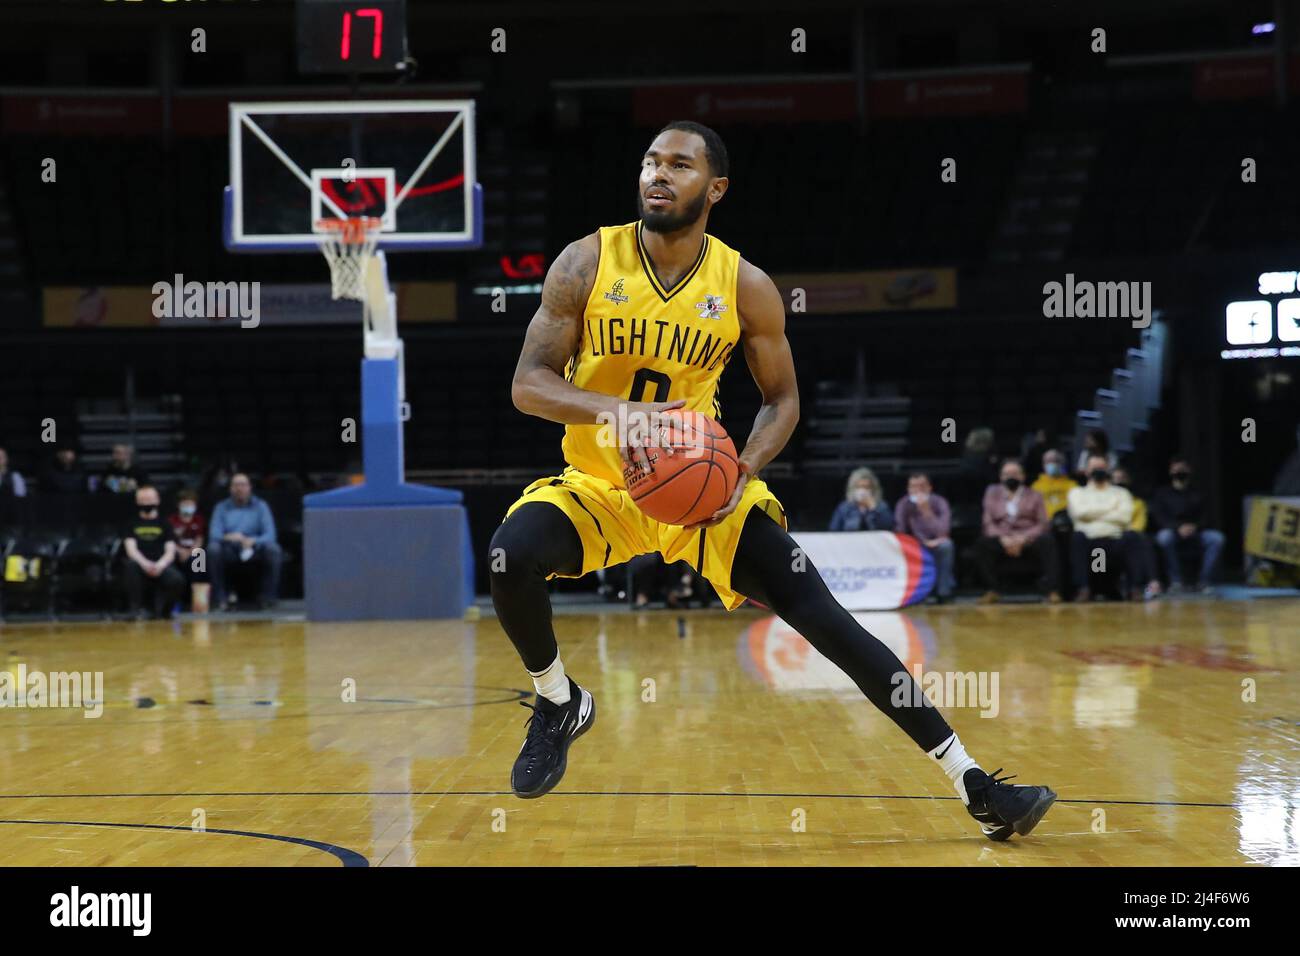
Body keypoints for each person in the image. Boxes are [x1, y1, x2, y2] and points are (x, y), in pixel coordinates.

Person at [489, 120, 1055, 840]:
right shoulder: (585, 262)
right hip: (602, 482)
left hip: (701, 492)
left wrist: (742, 470)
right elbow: (528, 384)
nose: (658, 175)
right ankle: (558, 700)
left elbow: (783, 399)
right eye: (650, 162)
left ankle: (974, 783)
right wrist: (620, 412)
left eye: (680, 165)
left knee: (827, 619)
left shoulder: (745, 286)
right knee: (509, 555)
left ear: (715, 187)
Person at [973, 458, 1060, 604]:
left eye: (1015, 474)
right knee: (983, 543)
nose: (1010, 477)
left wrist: (1023, 538)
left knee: (1048, 541)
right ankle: (992, 590)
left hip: (1028, 538)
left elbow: (1042, 523)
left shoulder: (1035, 495)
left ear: (1022, 476)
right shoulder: (992, 492)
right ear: (1001, 477)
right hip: (1002, 537)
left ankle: (1051, 590)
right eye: (1006, 474)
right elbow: (987, 522)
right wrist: (1003, 539)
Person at [1067, 455, 1140, 602]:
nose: (1098, 471)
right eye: (1094, 468)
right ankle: (1083, 589)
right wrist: (1110, 510)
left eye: (1101, 468)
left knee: (1133, 537)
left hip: (1115, 541)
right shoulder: (1076, 493)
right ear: (1086, 471)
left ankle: (1134, 589)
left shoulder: (1122, 493)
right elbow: (1080, 513)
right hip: (1090, 543)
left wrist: (1093, 514)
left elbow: (1125, 517)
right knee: (1077, 538)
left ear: (1108, 470)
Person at [207, 473, 282, 610]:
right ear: (230, 488)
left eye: (243, 485)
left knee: (274, 549)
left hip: (254, 548)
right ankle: (219, 598)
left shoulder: (261, 506)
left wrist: (253, 540)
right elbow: (214, 534)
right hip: (229, 548)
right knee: (210, 549)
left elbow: (271, 535)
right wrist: (229, 537)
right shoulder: (221, 507)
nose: (239, 488)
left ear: (250, 487)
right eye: (236, 485)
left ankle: (268, 598)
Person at [1150, 458, 1224, 594]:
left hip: (1196, 531)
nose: (1179, 472)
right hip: (1172, 532)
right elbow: (1159, 517)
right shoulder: (1162, 493)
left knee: (1217, 538)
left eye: (1182, 469)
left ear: (1189, 471)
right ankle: (1176, 581)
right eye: (1176, 469)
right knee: (1164, 538)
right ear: (1170, 471)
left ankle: (1204, 581)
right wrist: (1178, 527)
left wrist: (1195, 527)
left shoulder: (1198, 492)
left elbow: (1207, 517)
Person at [121, 485, 185, 619]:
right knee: (130, 566)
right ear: (137, 502)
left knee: (177, 579)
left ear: (157, 501)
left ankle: (165, 611)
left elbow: (170, 551)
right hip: (140, 565)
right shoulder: (131, 523)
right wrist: (145, 564)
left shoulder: (165, 523)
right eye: (143, 500)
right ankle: (136, 610)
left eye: (150, 499)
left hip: (161, 564)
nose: (147, 503)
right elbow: (131, 550)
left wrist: (160, 565)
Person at [893, 472, 954, 603]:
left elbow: (943, 530)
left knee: (946, 546)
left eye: (922, 486)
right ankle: (916, 593)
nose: (917, 490)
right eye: (913, 487)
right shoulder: (903, 504)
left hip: (937, 543)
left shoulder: (939, 502)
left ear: (929, 488)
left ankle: (943, 592)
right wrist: (919, 542)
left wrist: (927, 512)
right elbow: (900, 531)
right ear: (908, 489)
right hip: (913, 545)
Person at [1112, 466, 1161, 601]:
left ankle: (1141, 586)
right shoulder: (1107, 501)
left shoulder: (1138, 503)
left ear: (1128, 481)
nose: (1119, 482)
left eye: (1122, 479)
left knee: (1142, 540)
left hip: (1129, 538)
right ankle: (1098, 587)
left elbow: (1138, 526)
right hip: (1108, 538)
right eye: (1115, 479)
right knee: (1097, 550)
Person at [829, 467, 894, 531]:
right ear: (853, 489)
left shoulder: (882, 506)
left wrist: (874, 508)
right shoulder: (844, 507)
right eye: (859, 487)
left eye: (867, 487)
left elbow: (889, 526)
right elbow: (833, 530)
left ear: (873, 489)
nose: (863, 490)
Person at [1031, 449, 1075, 521]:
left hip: (1066, 521)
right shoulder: (1036, 486)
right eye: (1048, 462)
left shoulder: (1072, 485)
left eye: (1055, 461)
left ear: (1061, 463)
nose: (1051, 464)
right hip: (1043, 523)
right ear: (1043, 465)